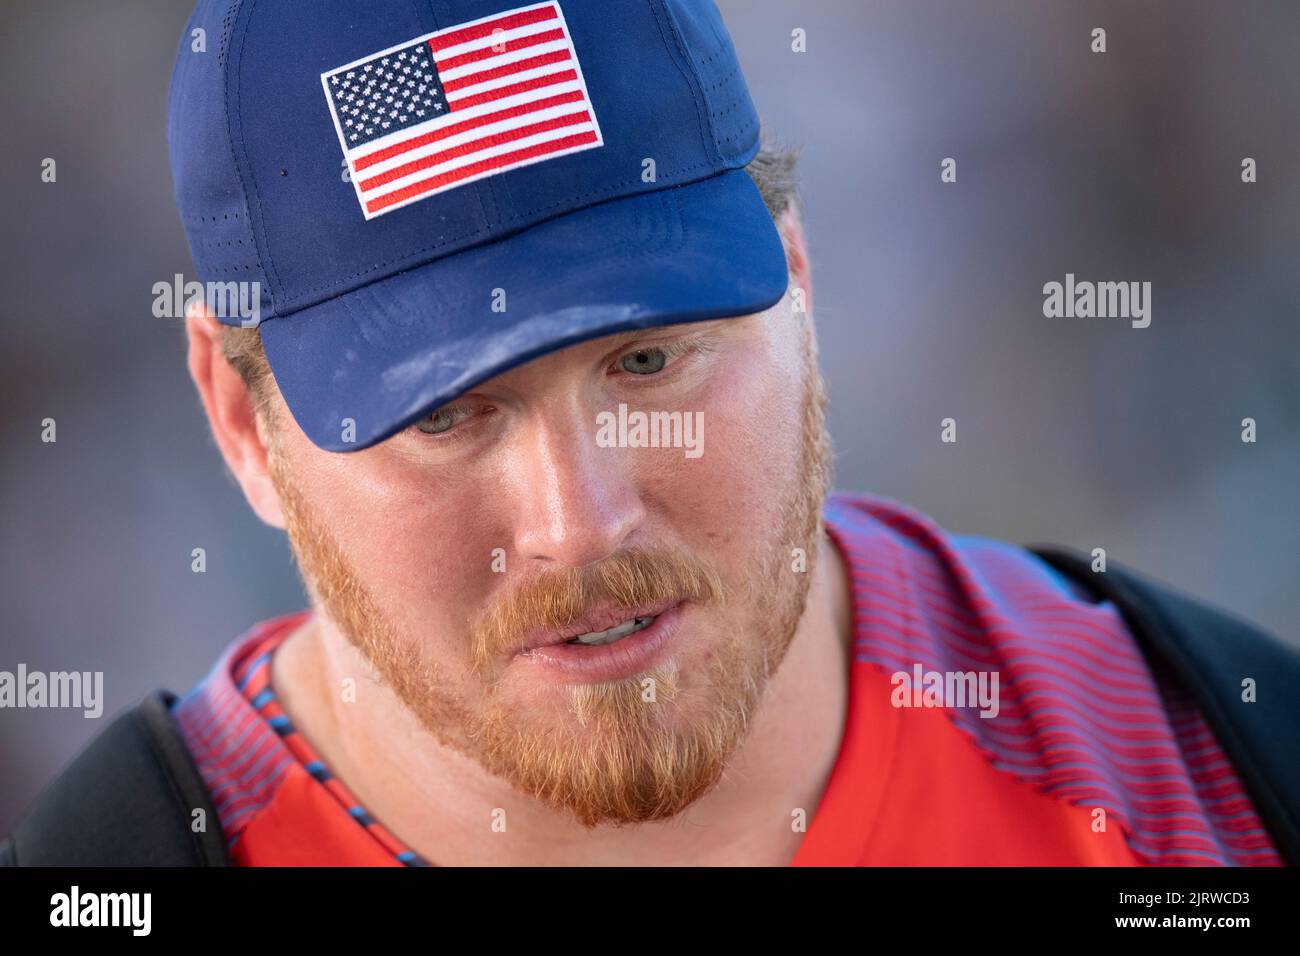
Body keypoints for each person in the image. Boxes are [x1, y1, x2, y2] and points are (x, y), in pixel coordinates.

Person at [4, 0, 1297, 867]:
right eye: (447, 413)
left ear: (797, 277)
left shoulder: (1207, 777)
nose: (580, 519)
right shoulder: (114, 869)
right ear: (243, 422)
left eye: (648, 358)